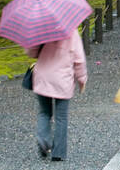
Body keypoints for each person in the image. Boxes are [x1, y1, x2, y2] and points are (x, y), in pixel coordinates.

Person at [30, 26, 87, 162]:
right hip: (62, 79)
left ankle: (43, 140)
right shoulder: (71, 33)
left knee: (44, 112)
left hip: (43, 76)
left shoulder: (42, 28)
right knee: (61, 117)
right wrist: (82, 79)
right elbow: (79, 60)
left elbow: (32, 52)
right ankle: (58, 152)